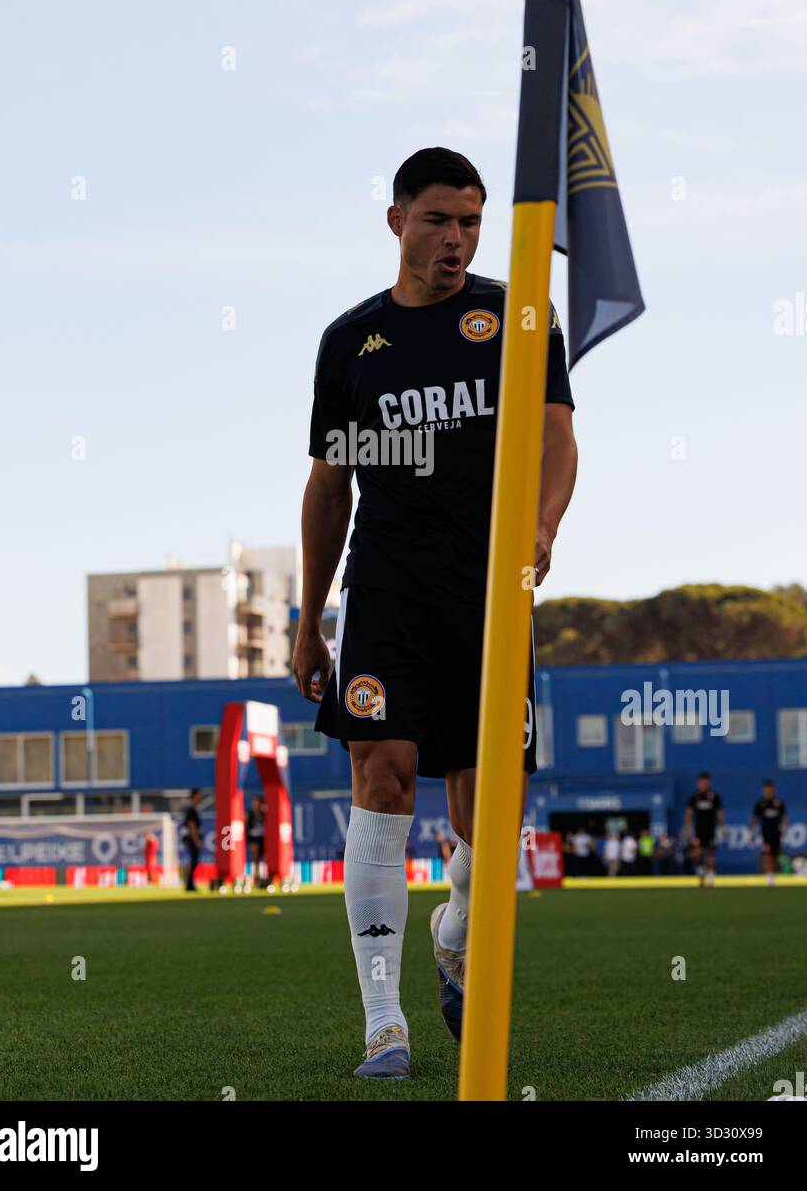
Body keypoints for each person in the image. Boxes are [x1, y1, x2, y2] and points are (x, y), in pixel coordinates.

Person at [292, 147, 578, 1080]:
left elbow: (556, 437)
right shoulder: (350, 342)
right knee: (381, 779)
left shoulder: (519, 316)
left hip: (490, 598)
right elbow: (329, 487)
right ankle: (386, 1023)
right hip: (384, 592)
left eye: (470, 223)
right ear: (396, 221)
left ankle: (458, 928)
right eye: (437, 221)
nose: (455, 240)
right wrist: (308, 618)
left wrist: (541, 524)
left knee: (484, 816)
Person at [684, 771, 725, 888]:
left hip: (711, 830)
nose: (704, 784)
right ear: (698, 783)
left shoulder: (714, 796)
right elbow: (689, 813)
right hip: (698, 830)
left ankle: (711, 880)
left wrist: (723, 827)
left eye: (706, 782)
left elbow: (719, 813)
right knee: (697, 854)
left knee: (710, 854)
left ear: (709, 783)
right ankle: (701, 876)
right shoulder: (694, 796)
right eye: (702, 782)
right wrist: (687, 828)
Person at [750, 781, 788, 888]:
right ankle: (770, 880)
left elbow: (784, 818)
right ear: (763, 790)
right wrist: (752, 833)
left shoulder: (779, 803)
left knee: (775, 858)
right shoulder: (760, 803)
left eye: (770, 790)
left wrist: (785, 828)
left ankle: (774, 874)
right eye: (766, 790)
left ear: (774, 790)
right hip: (765, 833)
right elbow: (754, 819)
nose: (768, 792)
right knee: (767, 855)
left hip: (777, 834)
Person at [182, 788, 203, 893]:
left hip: (192, 838)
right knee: (193, 861)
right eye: (198, 795)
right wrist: (196, 840)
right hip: (192, 838)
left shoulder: (193, 809)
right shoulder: (191, 810)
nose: (200, 798)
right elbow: (192, 826)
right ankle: (189, 884)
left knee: (194, 862)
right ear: (194, 796)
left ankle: (190, 883)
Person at [246, 794, 267, 888]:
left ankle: (263, 877)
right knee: (256, 858)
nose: (256, 804)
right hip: (253, 838)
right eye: (255, 803)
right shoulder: (250, 813)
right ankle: (256, 878)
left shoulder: (264, 813)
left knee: (263, 858)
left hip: (262, 837)